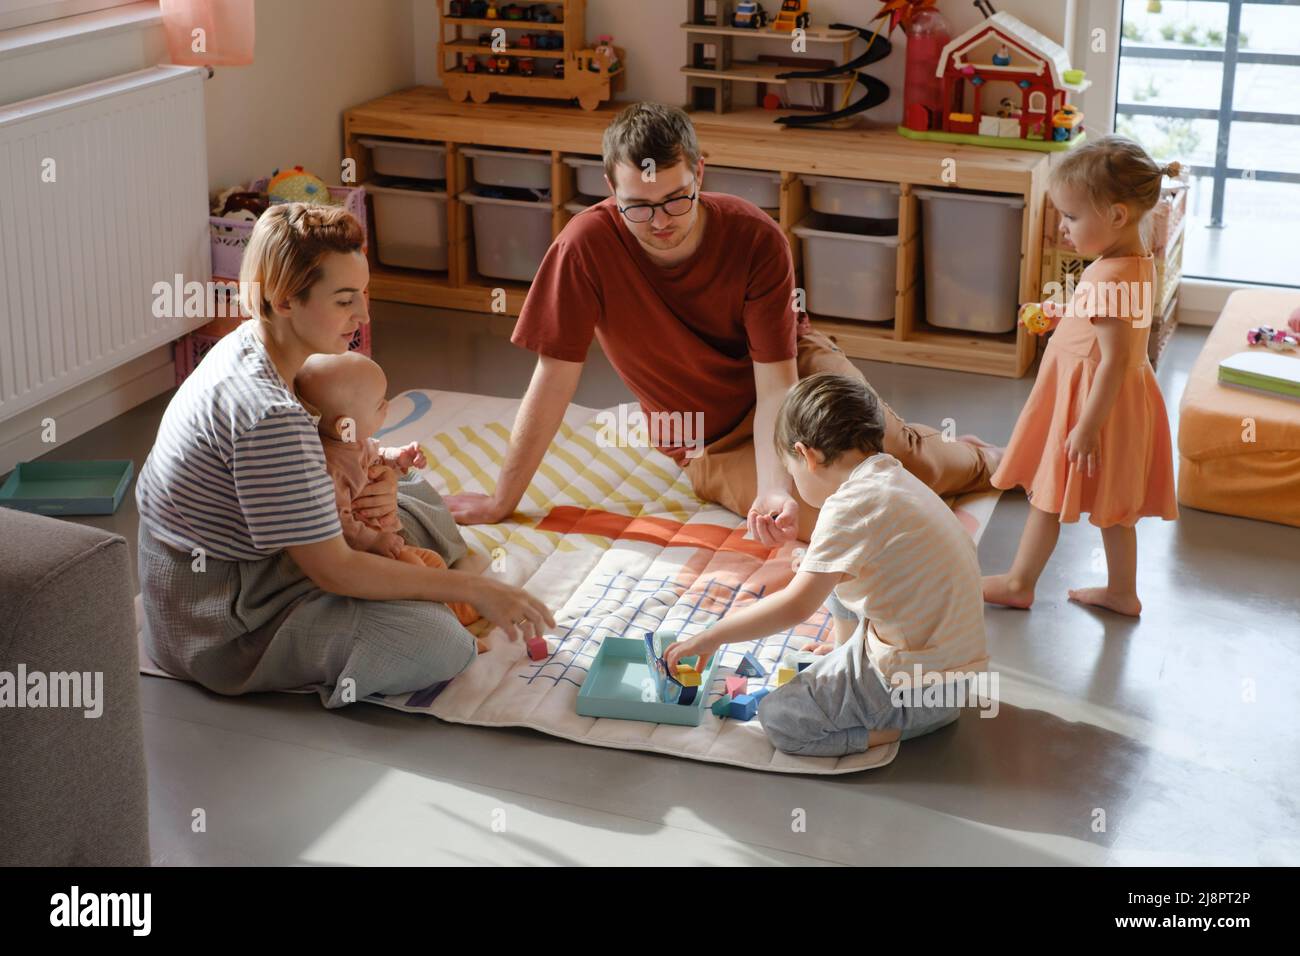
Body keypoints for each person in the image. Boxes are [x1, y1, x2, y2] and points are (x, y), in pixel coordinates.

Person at [447, 102, 999, 544]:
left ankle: (985, 459)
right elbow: (554, 380)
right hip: (704, 436)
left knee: (900, 460)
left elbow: (775, 383)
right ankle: (926, 459)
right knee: (826, 518)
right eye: (638, 206)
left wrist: (779, 477)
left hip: (793, 377)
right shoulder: (583, 248)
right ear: (610, 189)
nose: (660, 222)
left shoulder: (754, 236)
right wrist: (503, 499)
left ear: (700, 171)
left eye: (675, 200)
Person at [136, 204, 552, 708]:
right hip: (222, 617)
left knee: (418, 498)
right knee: (438, 643)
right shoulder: (267, 415)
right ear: (285, 299)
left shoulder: (255, 342)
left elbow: (325, 466)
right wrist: (476, 590)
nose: (364, 316)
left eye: (363, 294)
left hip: (265, 557)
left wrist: (381, 485)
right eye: (344, 300)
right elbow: (333, 569)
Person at [982, 136, 1180, 617]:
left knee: (1048, 493)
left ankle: (1018, 582)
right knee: (1115, 505)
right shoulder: (1130, 262)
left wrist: (1086, 427)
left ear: (1115, 216)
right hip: (1114, 396)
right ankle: (1122, 591)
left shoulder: (1111, 276)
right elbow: (1110, 328)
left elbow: (1111, 359)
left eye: (1072, 217)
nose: (1064, 228)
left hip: (1093, 400)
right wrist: (1060, 313)